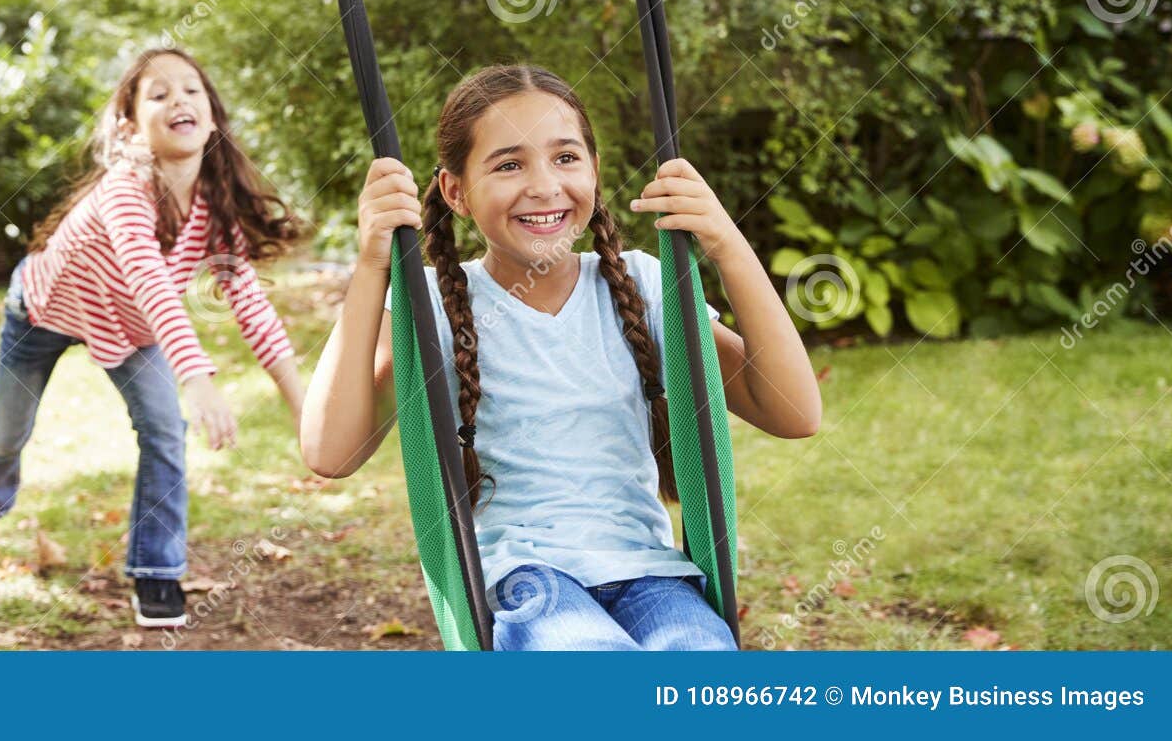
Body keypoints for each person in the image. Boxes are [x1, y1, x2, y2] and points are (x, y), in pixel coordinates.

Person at [301, 64, 821, 650]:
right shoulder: (436, 312)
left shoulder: (646, 288)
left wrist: (726, 241)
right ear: (456, 192)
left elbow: (794, 412)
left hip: (649, 572)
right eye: (508, 164)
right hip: (530, 582)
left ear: (594, 173)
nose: (544, 185)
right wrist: (372, 265)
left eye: (566, 157)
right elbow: (332, 451)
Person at [0, 48, 308, 629]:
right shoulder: (125, 188)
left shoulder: (214, 205)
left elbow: (248, 299)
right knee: (7, 434)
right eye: (159, 94)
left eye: (191, 90)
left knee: (167, 429)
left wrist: (302, 407)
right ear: (129, 126)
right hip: (42, 311)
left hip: (129, 328)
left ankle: (157, 571)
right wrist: (198, 377)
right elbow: (147, 277)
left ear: (212, 116)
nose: (179, 101)